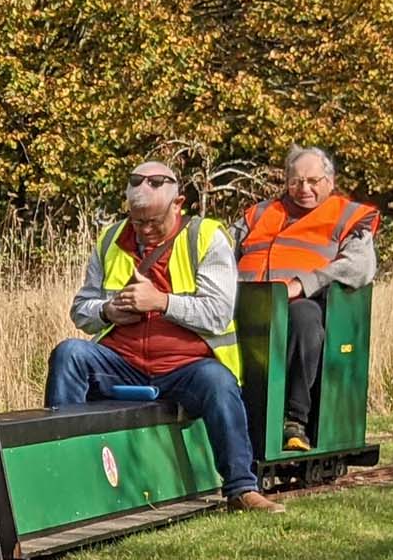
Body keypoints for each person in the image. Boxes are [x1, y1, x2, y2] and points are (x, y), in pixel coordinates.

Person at [46, 159, 280, 513]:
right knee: (70, 354)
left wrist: (162, 302)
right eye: (137, 221)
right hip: (122, 362)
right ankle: (64, 471)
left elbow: (217, 314)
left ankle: (241, 488)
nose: (145, 230)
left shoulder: (207, 237)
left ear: (178, 204)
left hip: (187, 366)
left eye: (154, 221)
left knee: (218, 382)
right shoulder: (110, 239)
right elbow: (81, 308)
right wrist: (108, 311)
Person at [235, 146, 380, 451]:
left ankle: (294, 421)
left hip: (298, 304)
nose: (304, 189)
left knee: (305, 319)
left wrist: (303, 284)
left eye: (313, 181)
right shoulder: (258, 213)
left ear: (329, 181)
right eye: (296, 181)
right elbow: (221, 251)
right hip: (244, 304)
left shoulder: (349, 216)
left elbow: (360, 267)